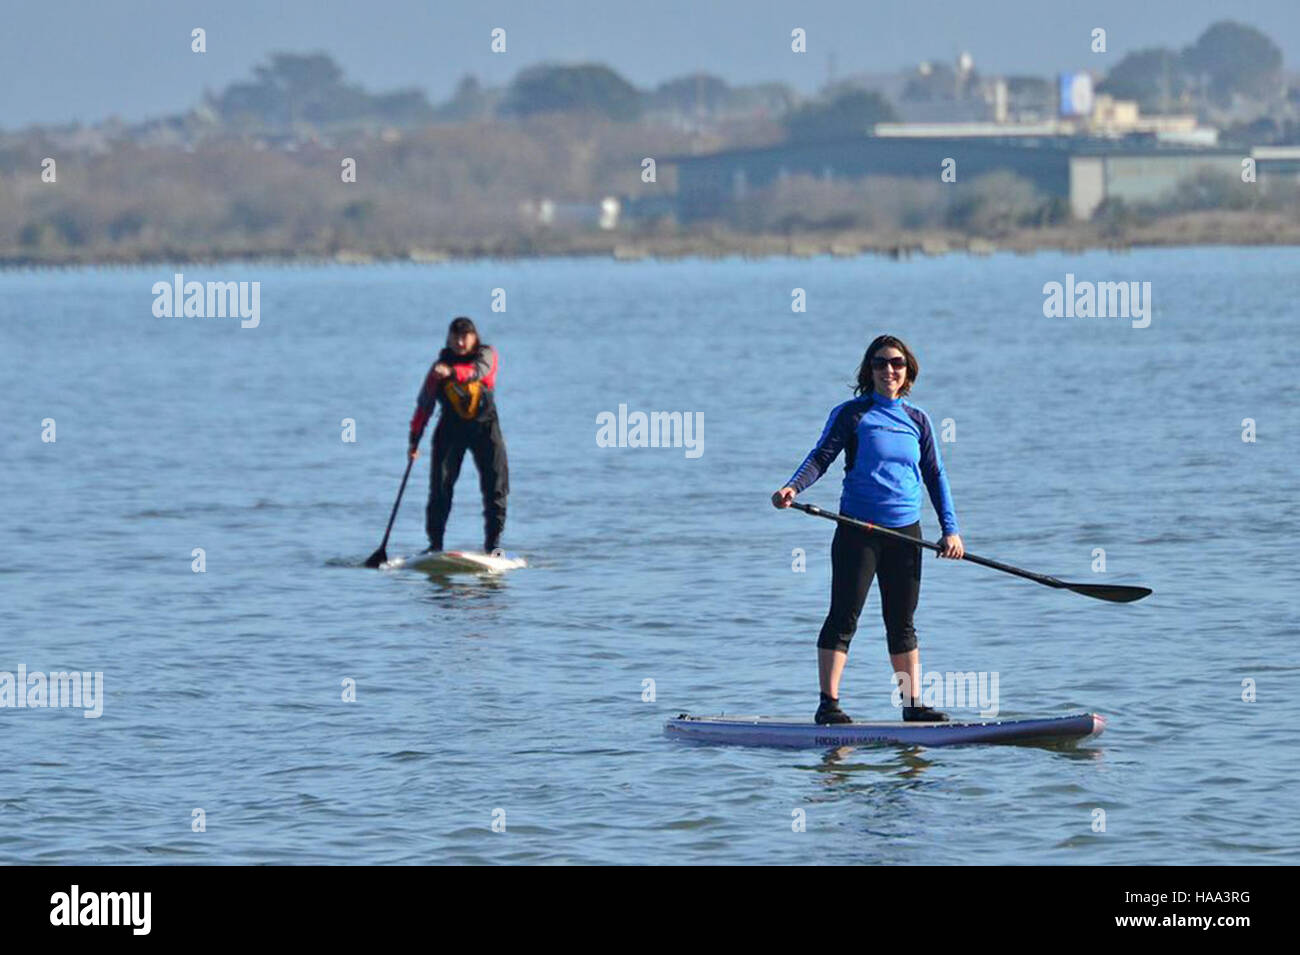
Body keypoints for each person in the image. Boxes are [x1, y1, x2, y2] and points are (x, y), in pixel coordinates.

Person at [771, 335, 964, 725]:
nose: (888, 370)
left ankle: (912, 706)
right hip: (857, 531)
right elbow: (821, 457)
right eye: (879, 363)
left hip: (906, 533)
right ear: (869, 370)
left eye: (896, 363)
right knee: (844, 616)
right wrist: (793, 486)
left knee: (903, 621)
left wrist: (951, 530)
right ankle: (828, 705)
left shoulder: (918, 420)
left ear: (907, 370)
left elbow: (935, 476)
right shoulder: (852, 415)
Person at [408, 317, 509, 554]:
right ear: (449, 338)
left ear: (475, 337)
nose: (461, 342)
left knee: (495, 486)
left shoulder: (486, 355)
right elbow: (425, 405)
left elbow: (477, 372)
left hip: (485, 429)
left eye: (465, 336)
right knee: (440, 488)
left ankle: (493, 547)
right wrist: (414, 440)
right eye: (456, 337)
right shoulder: (438, 367)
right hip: (451, 430)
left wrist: (451, 372)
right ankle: (435, 545)